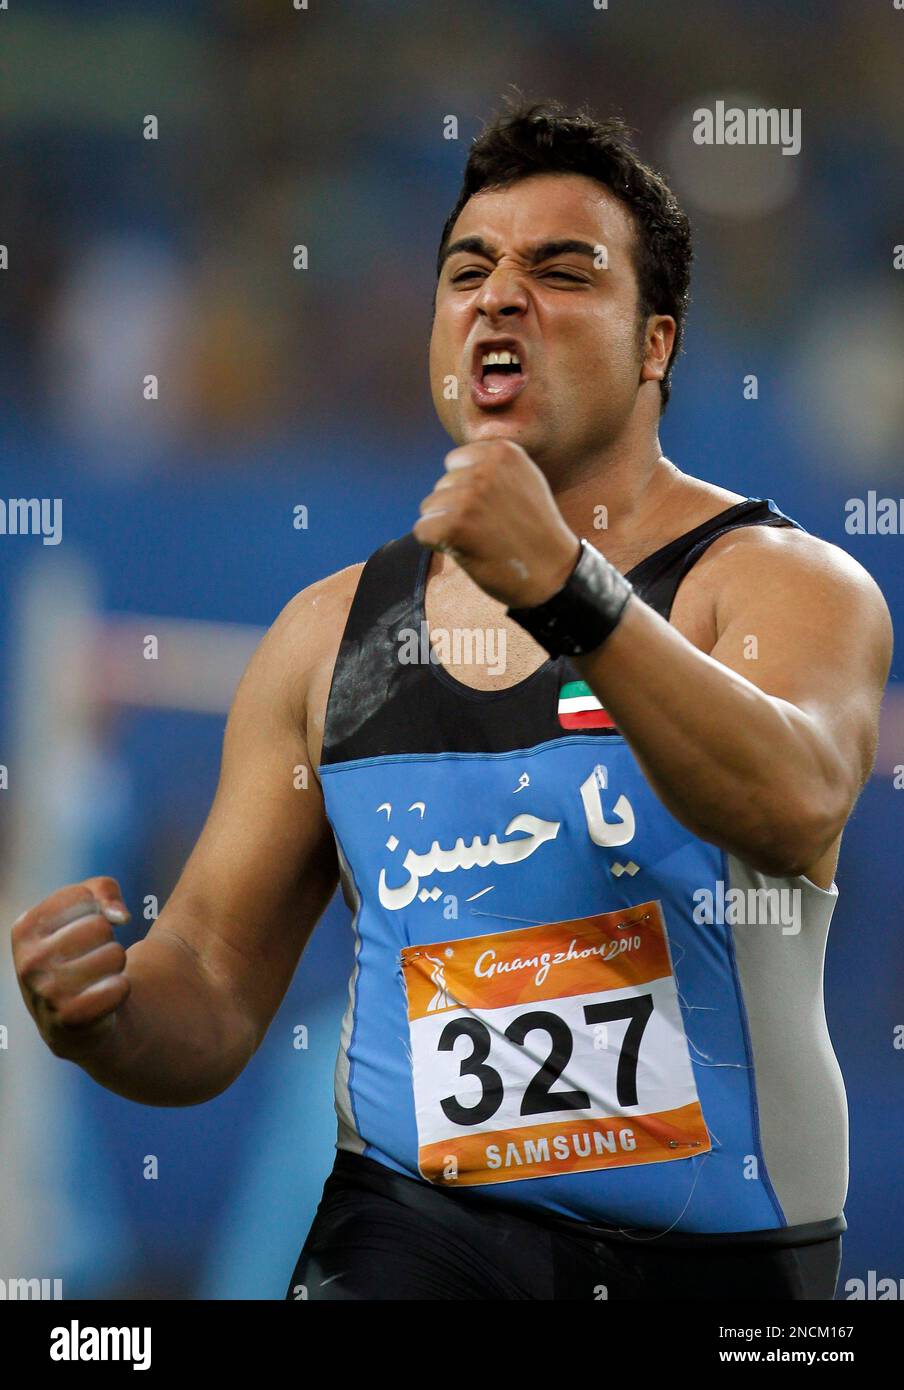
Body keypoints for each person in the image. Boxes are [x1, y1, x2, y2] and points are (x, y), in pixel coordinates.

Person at [10, 100, 892, 1301]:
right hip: (416, 1237)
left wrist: (567, 590)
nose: (500, 294)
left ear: (657, 345)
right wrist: (108, 1018)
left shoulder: (781, 586)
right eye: (468, 269)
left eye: (561, 271)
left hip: (719, 1270)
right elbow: (210, 985)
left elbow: (792, 802)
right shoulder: (331, 639)